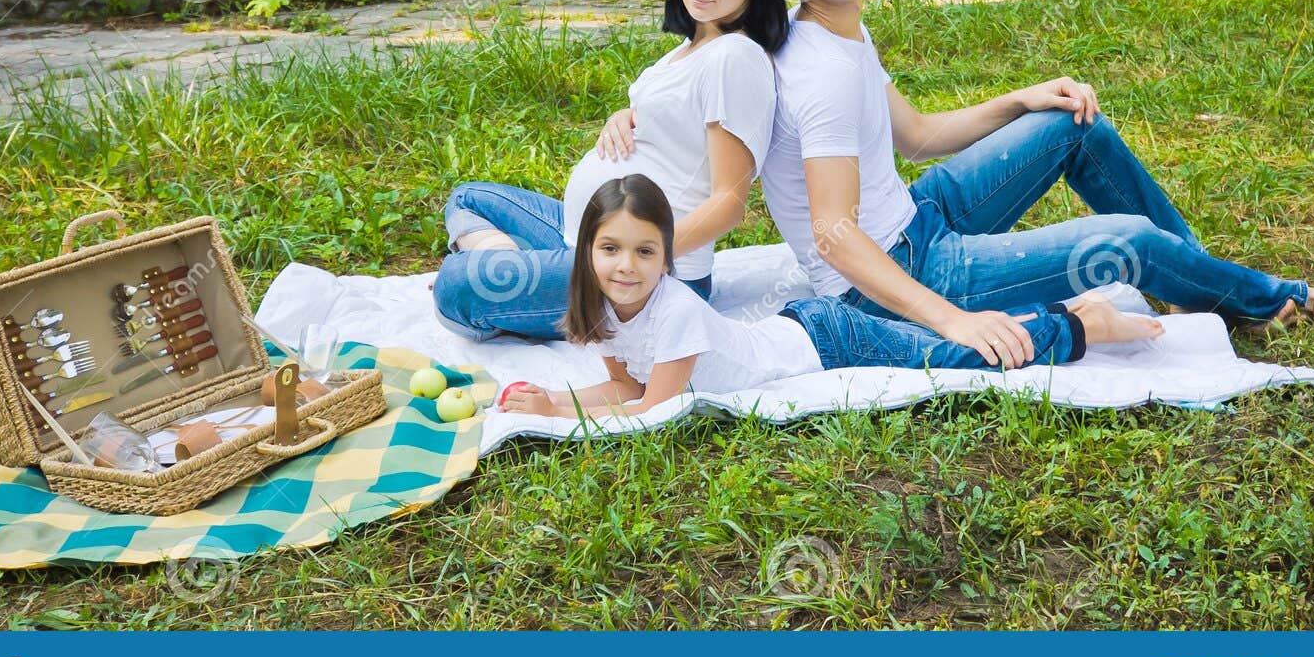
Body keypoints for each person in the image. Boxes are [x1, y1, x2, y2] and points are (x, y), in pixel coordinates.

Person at [747, 0, 1314, 370]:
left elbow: (916, 135)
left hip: (919, 218)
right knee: (1129, 242)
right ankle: (1289, 298)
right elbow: (835, 237)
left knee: (1074, 124)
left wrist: (1023, 99)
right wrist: (952, 321)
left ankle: (1196, 287)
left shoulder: (836, 31)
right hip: (898, 274)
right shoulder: (821, 72)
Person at [498, 175, 1164, 418]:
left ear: (668, 257)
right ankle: (1063, 319)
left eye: (646, 251)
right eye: (610, 249)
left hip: (825, 340)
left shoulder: (670, 311)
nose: (626, 266)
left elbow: (654, 409)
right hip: (806, 329)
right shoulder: (607, 312)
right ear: (587, 250)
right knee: (937, 352)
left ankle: (1080, 325)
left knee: (952, 361)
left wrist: (558, 414)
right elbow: (620, 390)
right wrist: (551, 400)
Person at [432, 0, 789, 340]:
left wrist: (643, 259)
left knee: (455, 285)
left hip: (646, 276)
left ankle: (520, 286)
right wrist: (627, 115)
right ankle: (527, 278)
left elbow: (729, 203)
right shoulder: (693, 47)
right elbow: (679, 123)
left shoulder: (735, 56)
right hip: (589, 238)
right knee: (471, 198)